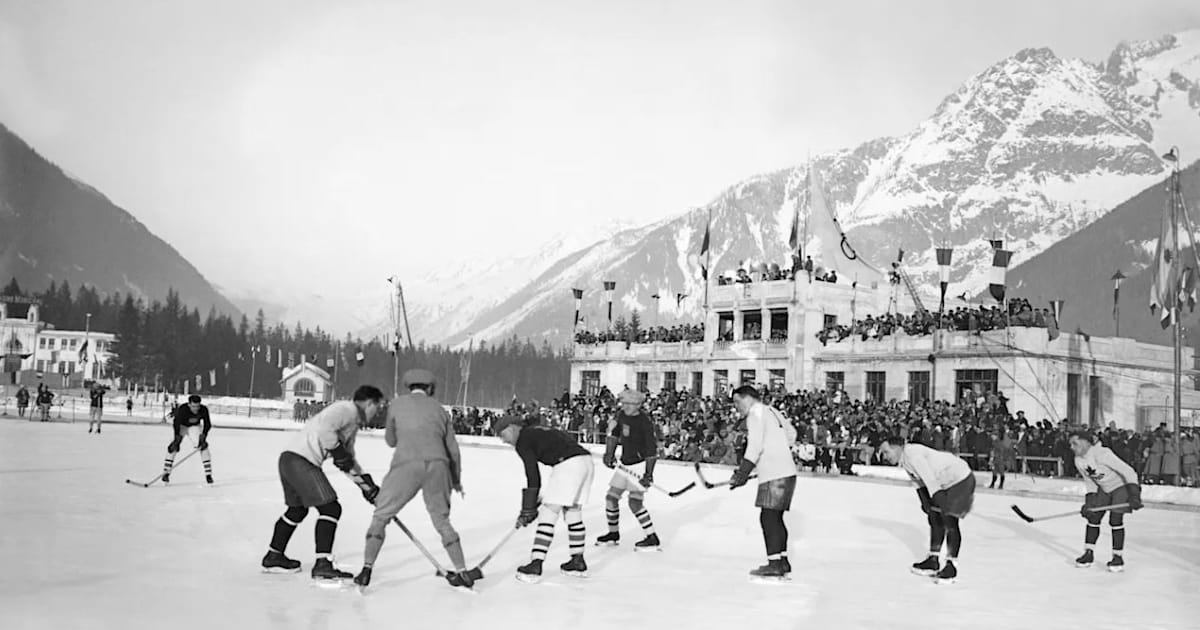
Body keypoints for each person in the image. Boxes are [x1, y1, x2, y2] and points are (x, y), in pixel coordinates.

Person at [353, 370, 473, 590]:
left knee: (381, 515)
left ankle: (367, 568)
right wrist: (456, 480)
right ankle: (463, 571)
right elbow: (453, 451)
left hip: (406, 464)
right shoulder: (439, 409)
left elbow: (390, 440)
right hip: (438, 466)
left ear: (410, 387)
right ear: (429, 388)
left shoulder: (396, 405)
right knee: (442, 520)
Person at [262, 385, 384, 581]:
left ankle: (274, 556)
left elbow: (347, 460)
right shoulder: (347, 409)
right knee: (331, 508)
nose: (377, 412)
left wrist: (366, 485)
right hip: (301, 461)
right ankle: (322, 564)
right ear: (369, 403)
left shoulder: (352, 424)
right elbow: (326, 428)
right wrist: (337, 450)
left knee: (297, 510)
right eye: (377, 407)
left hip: (289, 459)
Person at [493, 414, 595, 583]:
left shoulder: (523, 440)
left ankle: (535, 565)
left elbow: (532, 474)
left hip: (567, 465)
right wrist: (532, 502)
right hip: (585, 462)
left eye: (503, 435)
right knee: (573, 513)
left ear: (511, 428)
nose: (504, 441)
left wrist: (528, 508)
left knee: (548, 514)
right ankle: (577, 561)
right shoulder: (535, 430)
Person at [876, 433, 976, 584]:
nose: (884, 457)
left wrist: (940, 503)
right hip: (944, 482)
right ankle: (933, 559)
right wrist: (925, 501)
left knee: (950, 521)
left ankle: (951, 565)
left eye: (886, 452)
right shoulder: (904, 459)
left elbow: (930, 479)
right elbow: (919, 482)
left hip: (960, 480)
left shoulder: (912, 454)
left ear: (897, 448)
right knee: (934, 518)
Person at [727, 385, 798, 580]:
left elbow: (754, 446)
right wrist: (776, 452)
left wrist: (743, 473)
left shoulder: (755, 414)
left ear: (748, 398)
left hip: (774, 474)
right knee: (775, 517)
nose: (736, 407)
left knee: (768, 518)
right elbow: (792, 435)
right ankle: (782, 561)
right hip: (786, 471)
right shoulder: (772, 410)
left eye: (737, 402)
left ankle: (774, 563)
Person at [1069, 430, 1143, 572]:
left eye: (1075, 443)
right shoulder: (1079, 460)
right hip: (1104, 488)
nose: (1072, 447)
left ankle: (1117, 557)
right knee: (1093, 517)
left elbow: (1128, 471)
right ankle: (1088, 553)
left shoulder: (1103, 454)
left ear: (1086, 442)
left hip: (1120, 487)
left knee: (1115, 519)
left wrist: (1134, 494)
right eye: (1071, 444)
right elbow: (1090, 481)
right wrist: (1090, 501)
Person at [596, 389, 660, 551]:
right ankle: (613, 533)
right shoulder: (622, 415)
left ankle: (652, 536)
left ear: (638, 405)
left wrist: (648, 474)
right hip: (624, 465)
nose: (624, 406)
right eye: (623, 403)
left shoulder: (644, 422)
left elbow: (651, 450)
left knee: (634, 503)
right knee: (611, 498)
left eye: (628, 404)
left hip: (639, 465)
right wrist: (608, 454)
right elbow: (615, 435)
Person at [162, 395, 214, 485]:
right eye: (193, 406)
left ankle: (208, 475)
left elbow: (207, 424)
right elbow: (176, 423)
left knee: (204, 448)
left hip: (194, 427)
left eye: (197, 406)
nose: (196, 409)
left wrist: (203, 436)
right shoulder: (183, 409)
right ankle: (166, 473)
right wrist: (177, 438)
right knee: (172, 448)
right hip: (181, 426)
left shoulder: (204, 409)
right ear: (189, 404)